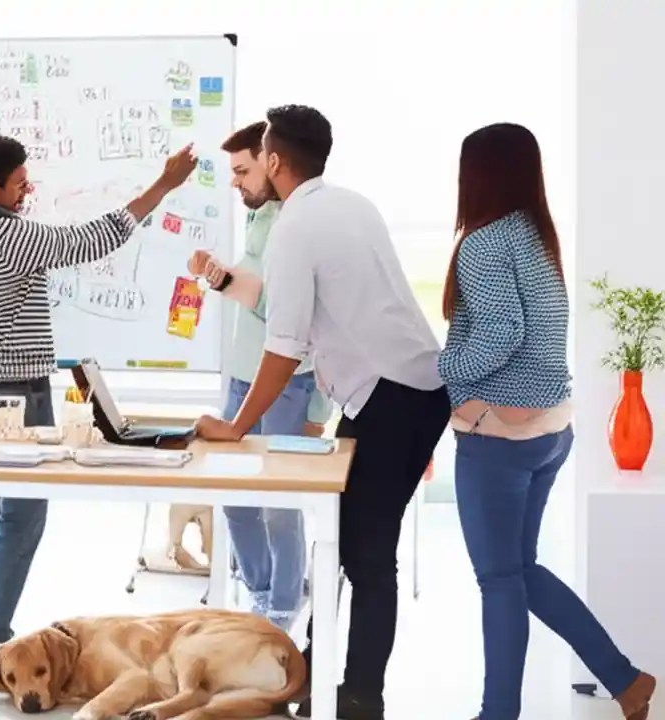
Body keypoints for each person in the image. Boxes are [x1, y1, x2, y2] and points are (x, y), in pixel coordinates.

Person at [192, 105, 450, 720]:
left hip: (391, 396)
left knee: (366, 556)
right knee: (340, 546)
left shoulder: (293, 228)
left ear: (275, 161)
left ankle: (360, 699)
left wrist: (234, 426)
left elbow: (285, 346)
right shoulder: (351, 204)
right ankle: (310, 675)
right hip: (406, 391)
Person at [0, 134, 197, 670]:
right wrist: (163, 185)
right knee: (23, 513)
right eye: (20, 184)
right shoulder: (12, 237)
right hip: (14, 396)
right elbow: (94, 238)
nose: (27, 192)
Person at [438, 122, 655, 720]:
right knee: (519, 571)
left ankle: (498, 713)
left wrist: (445, 369)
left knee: (499, 580)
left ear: (477, 174)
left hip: (499, 436)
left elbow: (503, 332)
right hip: (549, 430)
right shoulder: (536, 235)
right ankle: (626, 680)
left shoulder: (483, 243)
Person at [185, 120, 333, 630]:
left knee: (276, 505)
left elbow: (292, 316)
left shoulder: (298, 224)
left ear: (271, 162)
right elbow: (260, 300)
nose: (236, 182)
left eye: (243, 170)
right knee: (236, 500)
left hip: (288, 384)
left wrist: (318, 411)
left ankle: (284, 607)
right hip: (243, 380)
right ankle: (265, 593)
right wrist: (221, 277)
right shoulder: (260, 219)